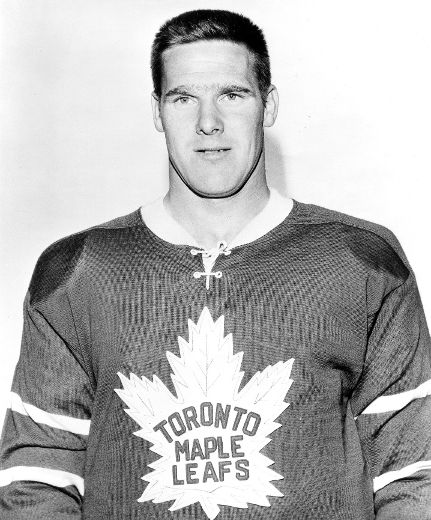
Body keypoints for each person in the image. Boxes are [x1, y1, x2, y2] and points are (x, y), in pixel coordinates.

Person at [0, 8, 430, 519]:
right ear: (157, 111)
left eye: (232, 94)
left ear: (268, 106)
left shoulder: (360, 259)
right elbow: (37, 474)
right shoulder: (77, 269)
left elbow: (413, 471)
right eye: (184, 98)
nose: (209, 122)